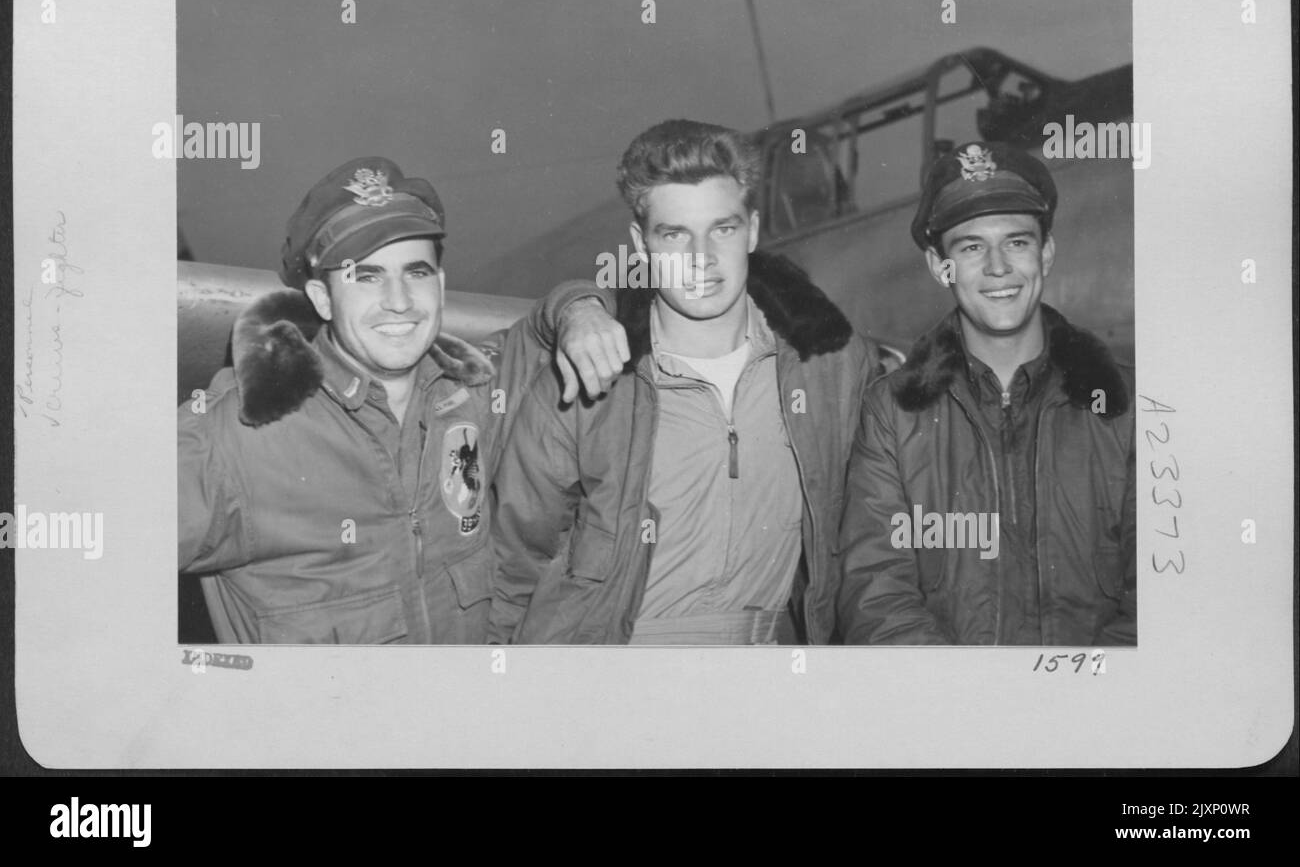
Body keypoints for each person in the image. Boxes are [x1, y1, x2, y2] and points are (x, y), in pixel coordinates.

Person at [179, 156, 627, 644]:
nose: (398, 300)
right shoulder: (236, 437)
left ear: (438, 284)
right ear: (322, 298)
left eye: (415, 273)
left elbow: (541, 330)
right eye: (366, 276)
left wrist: (581, 308)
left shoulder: (472, 390)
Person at [489, 120, 880, 645]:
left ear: (754, 231)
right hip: (613, 679)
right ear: (640, 243)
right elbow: (514, 565)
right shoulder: (587, 381)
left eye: (723, 229)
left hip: (767, 678)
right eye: (675, 234)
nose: (702, 258)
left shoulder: (832, 368)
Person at [838, 140, 1136, 645]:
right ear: (939, 266)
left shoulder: (1128, 404)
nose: (998, 267)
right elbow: (876, 592)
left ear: (1046, 252)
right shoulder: (892, 412)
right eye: (971, 247)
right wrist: (969, 700)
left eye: (1017, 242)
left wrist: (1082, 696)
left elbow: (1165, 585)